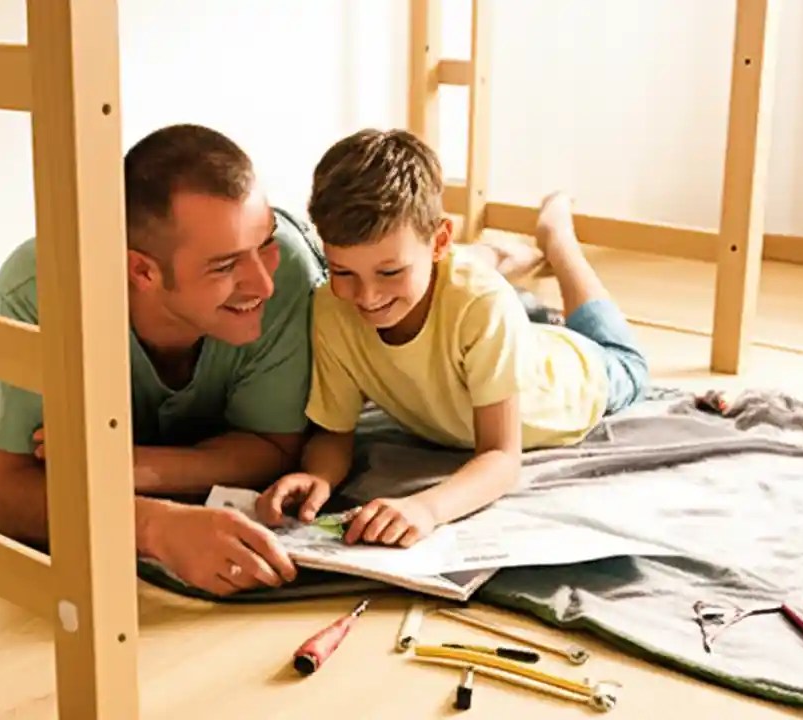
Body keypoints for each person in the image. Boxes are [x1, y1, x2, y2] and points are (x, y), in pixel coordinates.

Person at [0, 123, 328, 596]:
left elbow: (273, 446)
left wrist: (120, 465)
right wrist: (154, 528)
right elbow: (9, 495)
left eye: (265, 244)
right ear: (142, 269)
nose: (263, 284)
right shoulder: (35, 294)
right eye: (224, 266)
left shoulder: (289, 270)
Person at [255, 128, 649, 548]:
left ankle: (557, 238)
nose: (365, 297)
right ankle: (501, 259)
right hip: (486, 327)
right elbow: (334, 433)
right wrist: (318, 476)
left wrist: (426, 508)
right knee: (466, 298)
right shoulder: (332, 309)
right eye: (343, 271)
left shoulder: (482, 303)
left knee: (624, 357)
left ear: (440, 240)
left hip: (578, 378)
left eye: (389, 272)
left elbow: (500, 456)